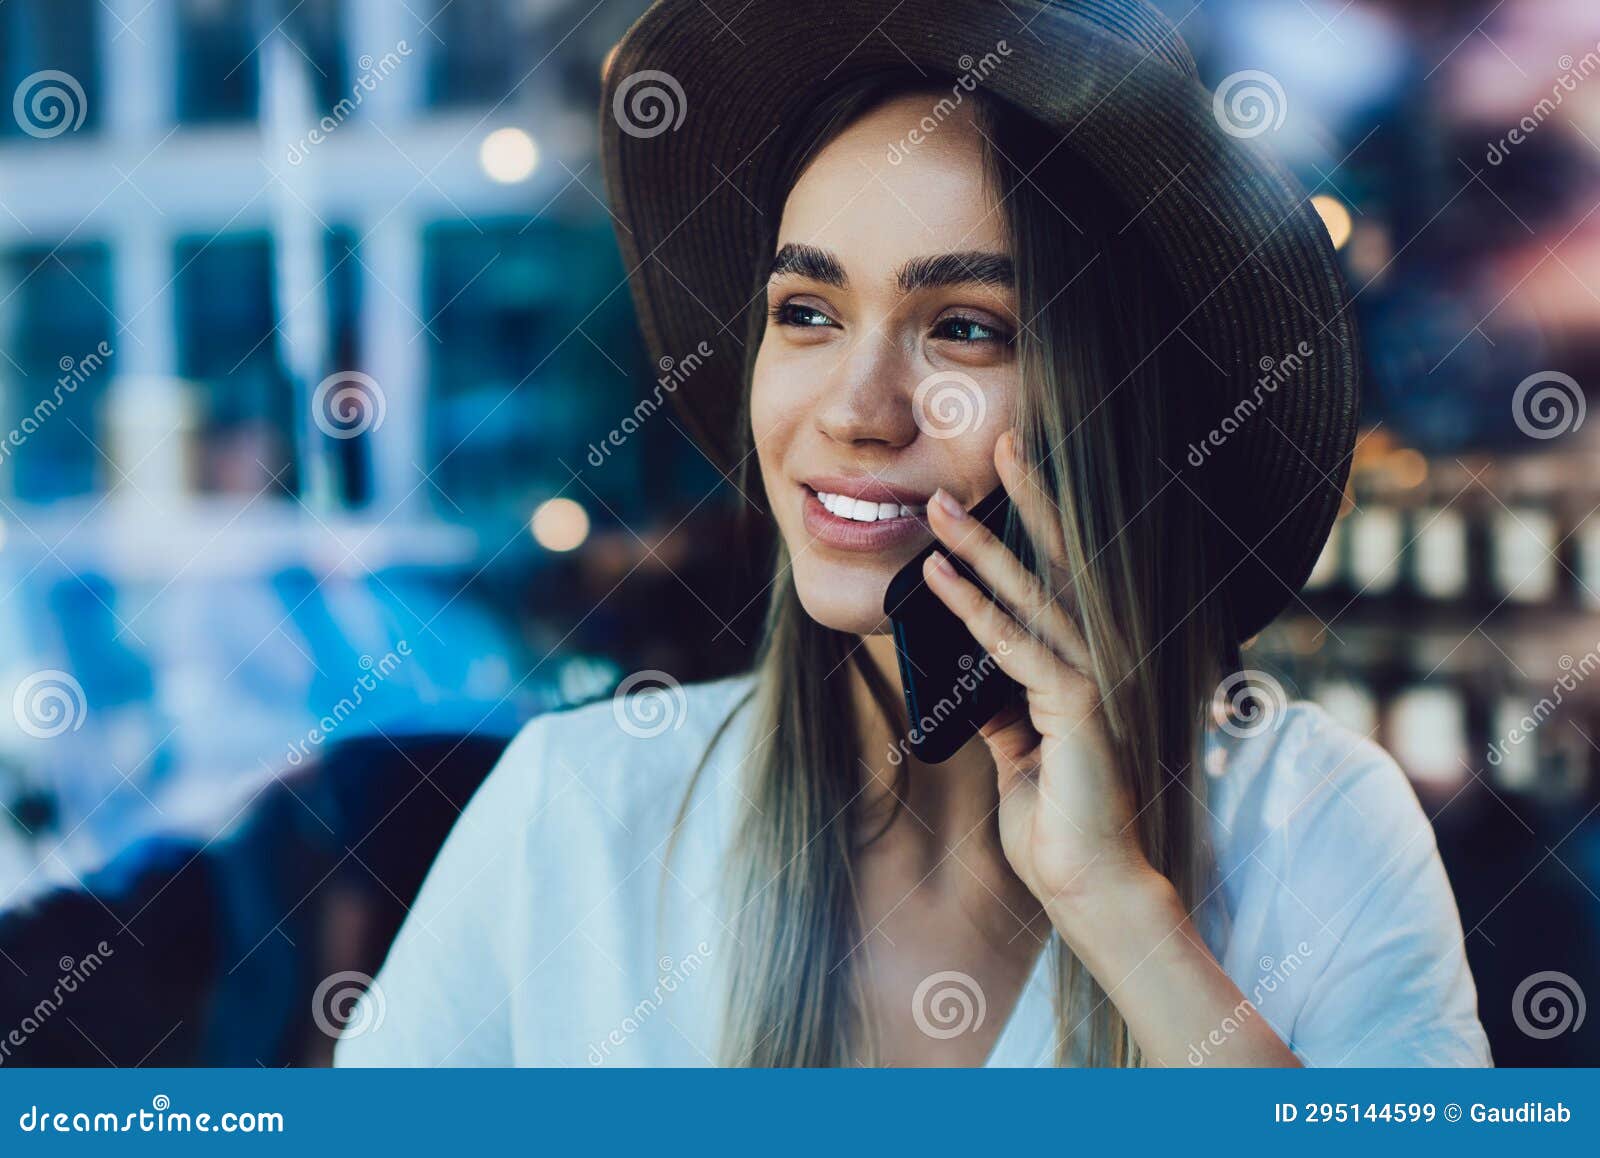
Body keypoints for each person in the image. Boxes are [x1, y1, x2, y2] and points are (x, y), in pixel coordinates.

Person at [337, 0, 1489, 1067]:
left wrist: (1119, 910)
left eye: (966, 329)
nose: (853, 408)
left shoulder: (1313, 828)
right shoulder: (574, 815)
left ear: (1113, 404)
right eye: (807, 313)